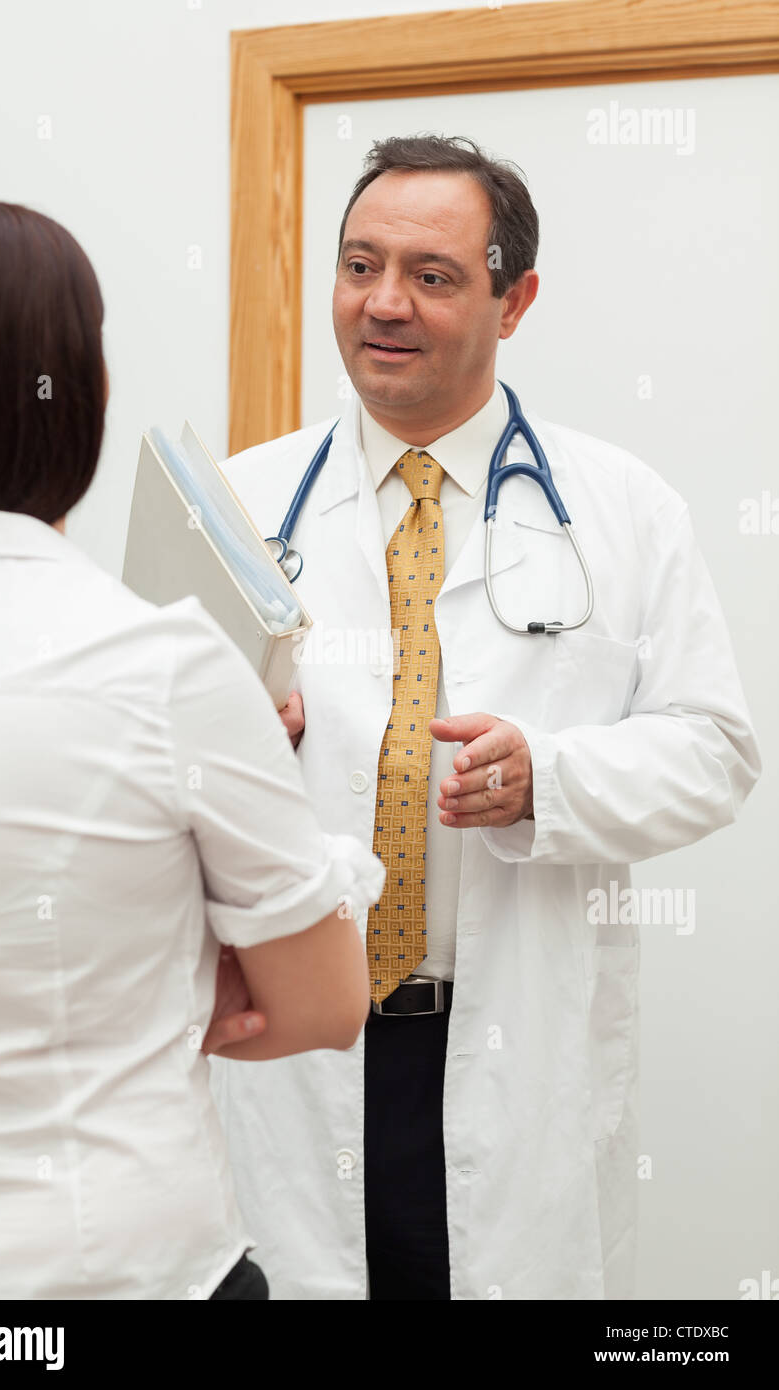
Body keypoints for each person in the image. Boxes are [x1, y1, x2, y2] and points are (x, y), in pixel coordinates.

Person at [209, 134, 761, 1300]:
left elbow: (715, 750)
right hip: (306, 1044)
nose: (383, 303)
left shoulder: (621, 510)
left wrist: (548, 780)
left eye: (432, 274)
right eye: (359, 265)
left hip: (518, 1045)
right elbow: (156, 777)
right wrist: (246, 741)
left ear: (515, 300)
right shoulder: (241, 501)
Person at [0, 200, 384, 1300]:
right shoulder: (165, 665)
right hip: (120, 1264)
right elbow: (323, 1004)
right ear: (84, 398)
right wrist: (169, 982)